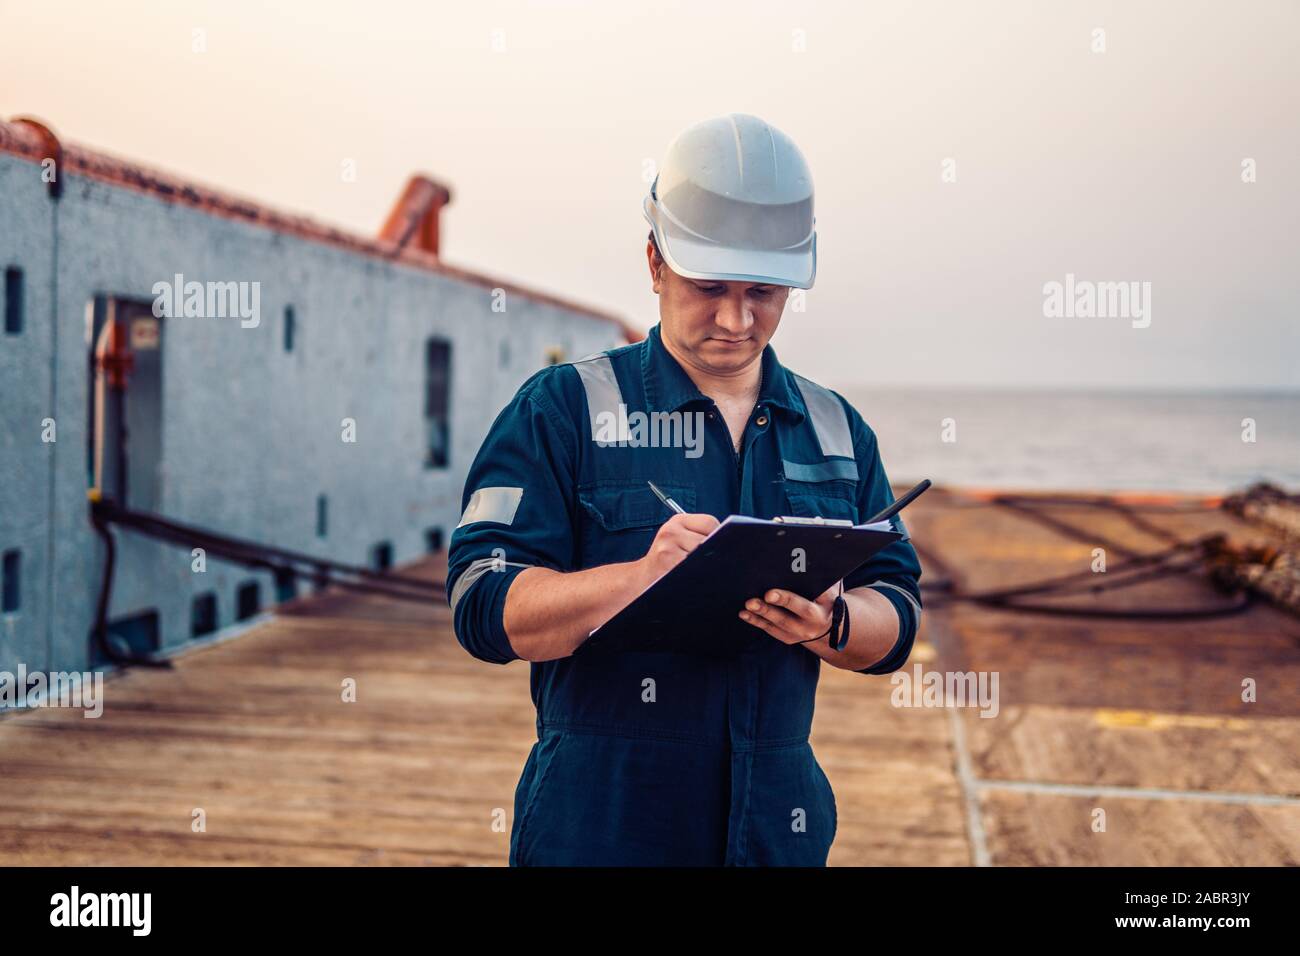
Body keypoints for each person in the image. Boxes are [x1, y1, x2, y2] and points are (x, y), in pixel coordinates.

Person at [447, 113, 922, 866]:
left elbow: (898, 615)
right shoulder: (563, 408)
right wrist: (637, 580)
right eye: (709, 287)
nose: (737, 319)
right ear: (655, 263)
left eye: (764, 292)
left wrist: (831, 622)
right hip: (598, 828)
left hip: (775, 830)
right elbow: (483, 605)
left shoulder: (838, 430)